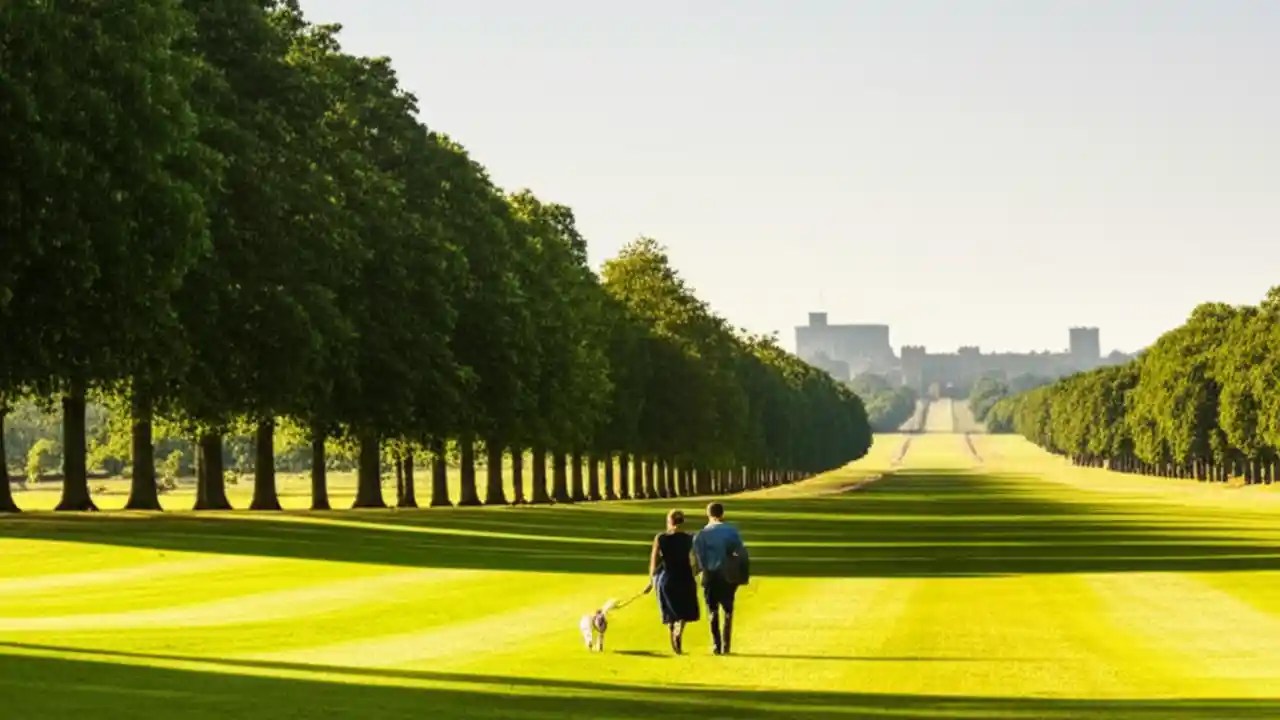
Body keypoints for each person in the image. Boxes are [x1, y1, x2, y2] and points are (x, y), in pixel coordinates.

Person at [693, 501, 748, 655]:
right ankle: (726, 644)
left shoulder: (701, 535)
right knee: (728, 609)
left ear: (708, 514)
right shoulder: (731, 531)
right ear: (722, 514)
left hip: (710, 574)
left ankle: (716, 645)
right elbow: (740, 552)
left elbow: (698, 559)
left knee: (712, 609)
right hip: (727, 574)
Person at [643, 509, 700, 654]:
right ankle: (679, 629)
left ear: (669, 521)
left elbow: (654, 561)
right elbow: (694, 560)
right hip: (685, 577)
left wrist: (651, 580)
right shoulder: (690, 538)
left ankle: (672, 630)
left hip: (667, 578)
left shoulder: (661, 538)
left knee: (669, 611)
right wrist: (695, 574)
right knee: (685, 609)